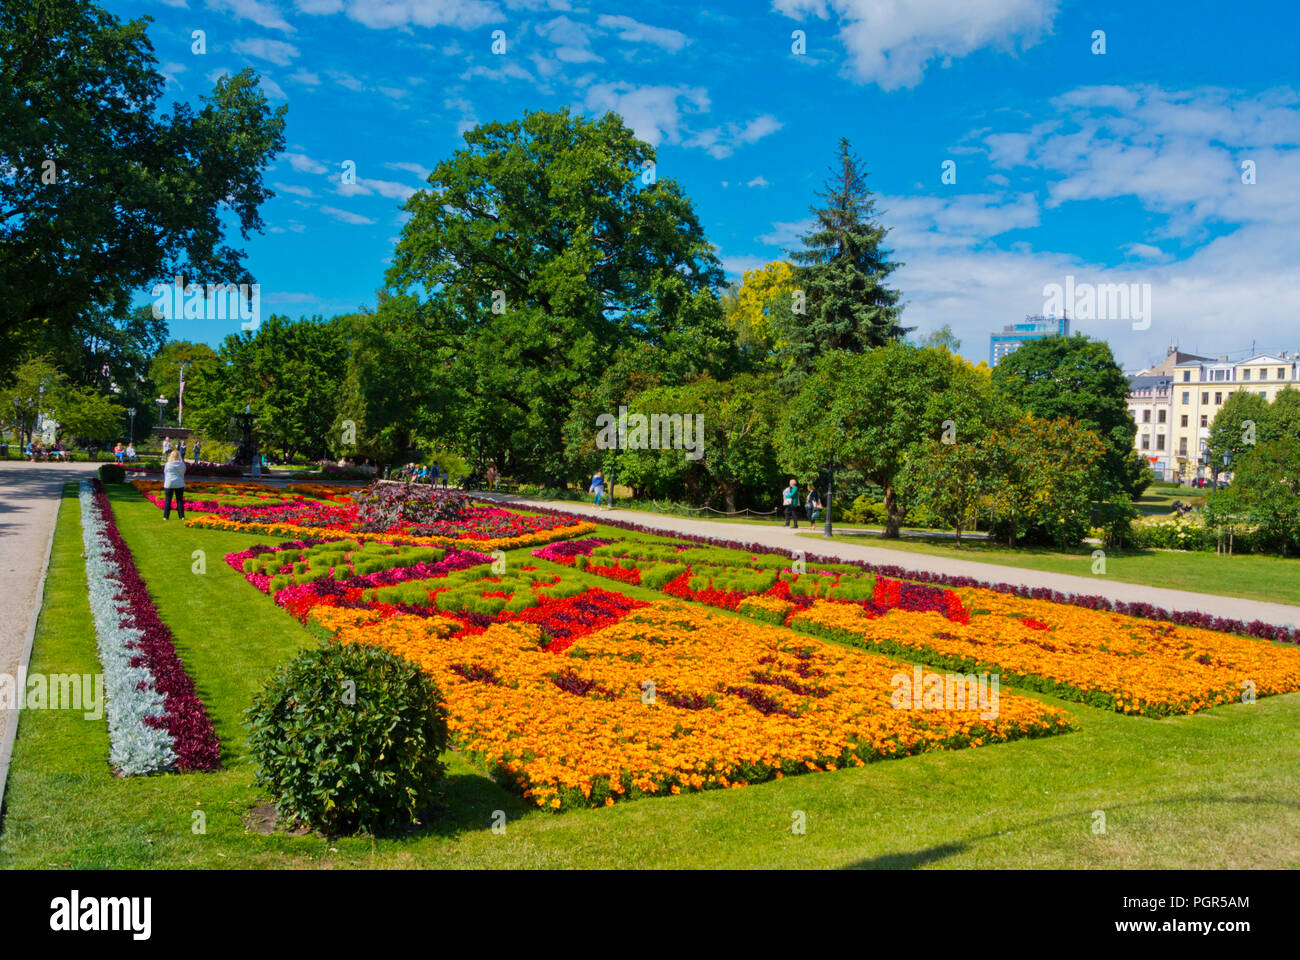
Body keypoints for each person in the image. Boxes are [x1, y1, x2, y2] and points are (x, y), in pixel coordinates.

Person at [162, 449, 186, 518]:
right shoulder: (182, 464)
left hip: (169, 483)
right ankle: (181, 516)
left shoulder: (168, 464)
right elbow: (182, 473)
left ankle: (166, 517)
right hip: (179, 482)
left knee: (168, 501)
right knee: (179, 500)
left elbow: (165, 473)